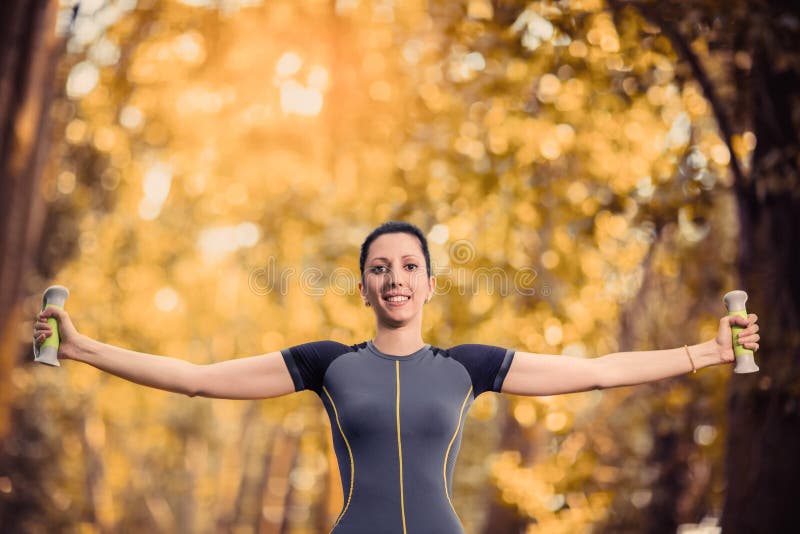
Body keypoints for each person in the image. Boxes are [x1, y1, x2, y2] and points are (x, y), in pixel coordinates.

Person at [33, 221, 760, 534]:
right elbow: (195, 378)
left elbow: (600, 371)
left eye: (410, 265)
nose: (395, 277)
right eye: (380, 267)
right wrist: (86, 347)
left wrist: (706, 351)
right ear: (363, 288)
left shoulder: (468, 368)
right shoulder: (326, 363)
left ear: (430, 285)